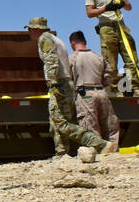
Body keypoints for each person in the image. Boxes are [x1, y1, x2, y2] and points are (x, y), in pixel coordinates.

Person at [25, 18, 107, 158]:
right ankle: (62, 153)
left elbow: (52, 61)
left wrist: (52, 83)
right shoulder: (56, 39)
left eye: (30, 29)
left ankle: (98, 143)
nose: (29, 32)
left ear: (37, 29)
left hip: (60, 83)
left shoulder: (45, 39)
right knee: (56, 122)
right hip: (66, 83)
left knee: (61, 123)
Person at [84, 0, 137, 95]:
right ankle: (115, 90)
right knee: (110, 62)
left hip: (121, 26)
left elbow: (129, 7)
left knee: (131, 59)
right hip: (106, 27)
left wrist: (122, 4)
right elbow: (89, 13)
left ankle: (133, 88)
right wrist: (106, 8)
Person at [68, 30, 121, 153]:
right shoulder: (98, 57)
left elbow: (67, 79)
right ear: (85, 42)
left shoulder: (72, 58)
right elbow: (110, 74)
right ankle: (113, 151)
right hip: (101, 91)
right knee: (110, 124)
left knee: (89, 125)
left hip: (84, 92)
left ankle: (96, 151)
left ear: (72, 43)